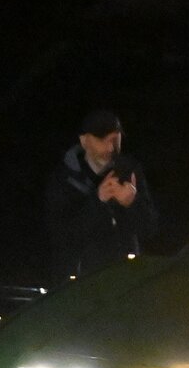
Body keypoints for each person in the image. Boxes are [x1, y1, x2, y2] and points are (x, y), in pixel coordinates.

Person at [44, 109, 159, 281]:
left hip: (127, 278)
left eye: (115, 139)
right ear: (84, 141)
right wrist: (98, 201)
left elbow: (150, 228)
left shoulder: (129, 170)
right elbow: (61, 237)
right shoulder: (64, 178)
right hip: (83, 283)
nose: (110, 147)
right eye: (101, 140)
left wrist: (131, 203)